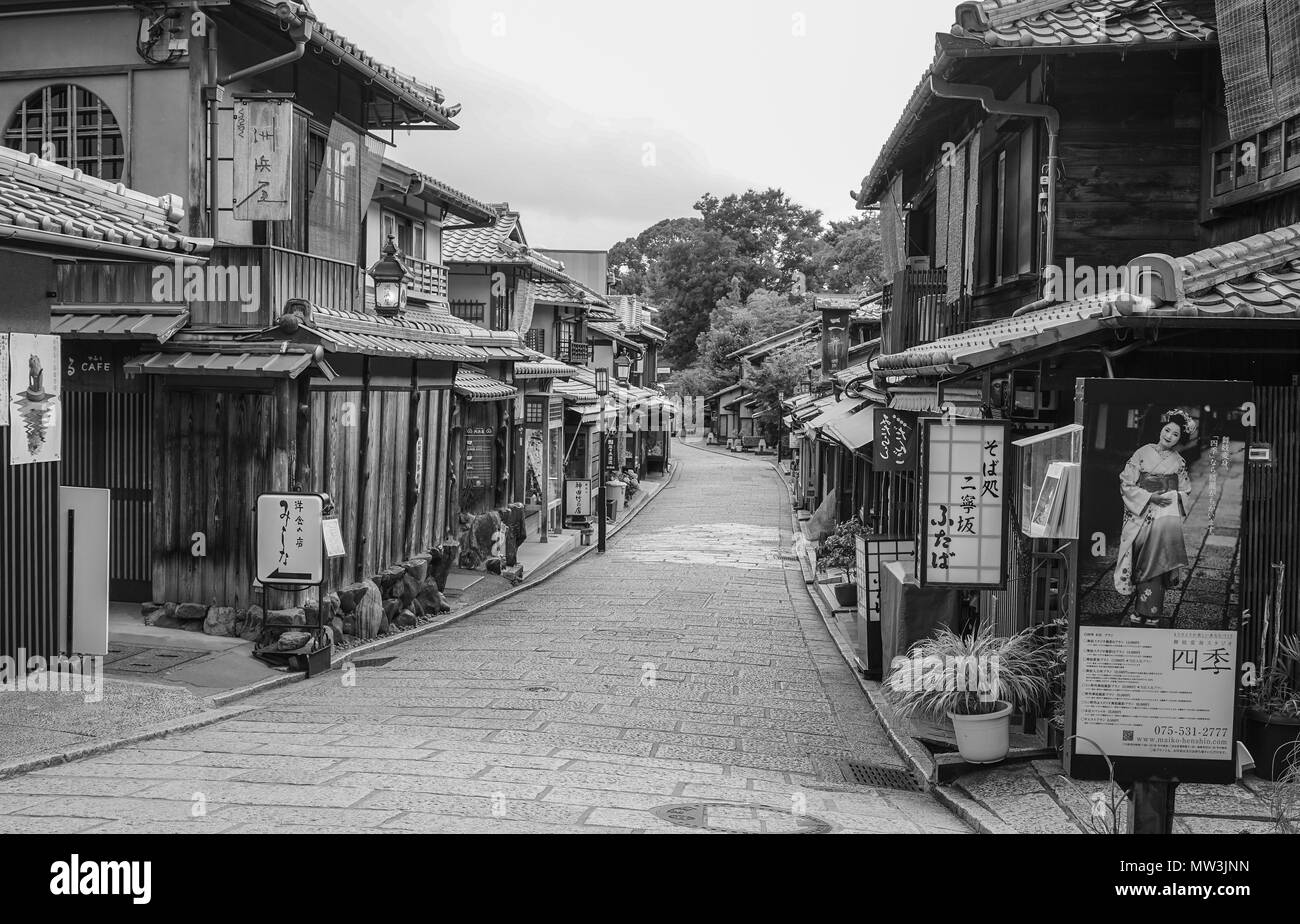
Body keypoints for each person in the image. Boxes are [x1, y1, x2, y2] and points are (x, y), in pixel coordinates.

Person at [1113, 410, 1194, 628]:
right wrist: (1149, 497)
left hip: (1163, 517)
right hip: (1143, 512)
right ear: (1161, 428)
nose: (1169, 436)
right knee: (1139, 559)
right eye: (1167, 430)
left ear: (1180, 439)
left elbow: (1185, 490)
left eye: (1175, 434)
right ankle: (1141, 609)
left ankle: (1150, 612)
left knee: (1157, 562)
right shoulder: (1142, 452)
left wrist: (1170, 496)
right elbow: (1126, 482)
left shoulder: (1179, 462)